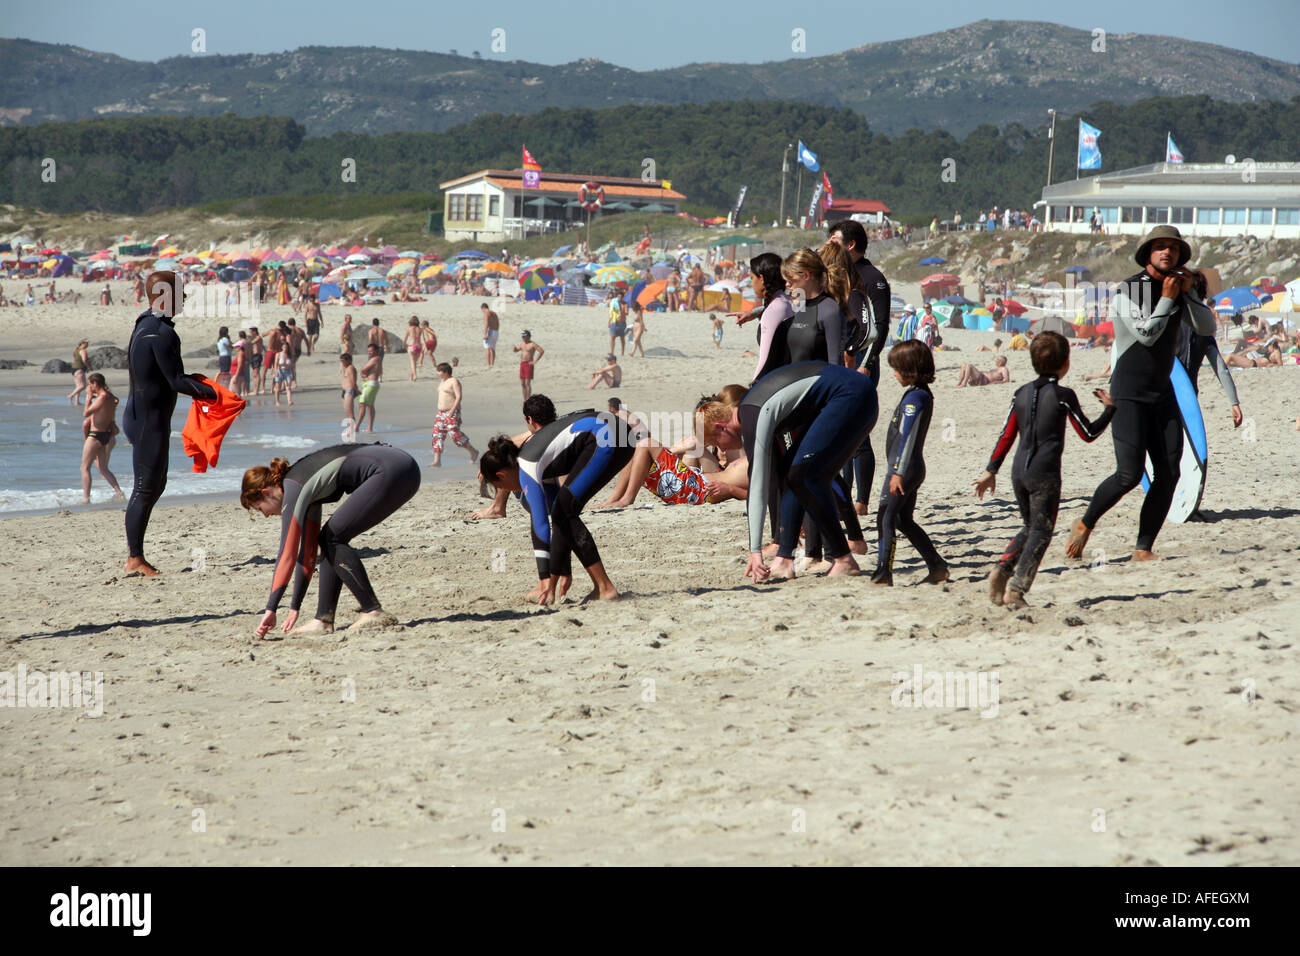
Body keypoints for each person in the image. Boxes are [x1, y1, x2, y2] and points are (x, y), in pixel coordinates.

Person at [1065, 226, 1217, 563]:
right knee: (1128, 475)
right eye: (1160, 247)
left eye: (1173, 249)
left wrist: (1188, 295)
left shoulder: (1179, 290)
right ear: (1147, 252)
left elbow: (1207, 328)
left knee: (1170, 472)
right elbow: (1147, 335)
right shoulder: (1127, 291)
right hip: (1129, 394)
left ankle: (1142, 548)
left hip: (1162, 393)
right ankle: (1085, 522)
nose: (1167, 253)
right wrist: (1167, 297)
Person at [972, 332, 1115, 608]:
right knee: (1042, 531)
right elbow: (1087, 433)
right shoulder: (1064, 396)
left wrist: (991, 470)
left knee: (1030, 526)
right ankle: (1015, 588)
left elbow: (1006, 434)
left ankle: (1001, 570)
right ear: (1065, 364)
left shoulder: (1021, 393)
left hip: (1018, 471)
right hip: (1044, 474)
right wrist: (1110, 410)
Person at [699, 361, 877, 581]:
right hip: (848, 395)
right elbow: (780, 478)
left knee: (808, 476)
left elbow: (758, 486)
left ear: (721, 427)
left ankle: (843, 558)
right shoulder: (751, 412)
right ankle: (784, 560)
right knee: (794, 475)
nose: (721, 449)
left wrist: (754, 551)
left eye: (716, 442)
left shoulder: (751, 417)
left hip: (852, 395)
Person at [243, 443, 421, 637]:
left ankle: (372, 610)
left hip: (392, 469)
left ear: (266, 493)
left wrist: (271, 609)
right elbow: (309, 553)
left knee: (333, 538)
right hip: (402, 467)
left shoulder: (293, 488)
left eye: (260, 509)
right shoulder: (307, 489)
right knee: (328, 539)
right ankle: (324, 620)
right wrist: (295, 606)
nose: (266, 515)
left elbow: (287, 555)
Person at [480, 409, 639, 604]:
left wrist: (544, 577)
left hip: (606, 435)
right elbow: (558, 519)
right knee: (563, 511)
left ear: (502, 475)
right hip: (621, 434)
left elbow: (540, 525)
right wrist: (563, 570)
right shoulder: (536, 460)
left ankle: (604, 588)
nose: (505, 490)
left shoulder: (527, 466)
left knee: (565, 510)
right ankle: (590, 587)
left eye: (499, 487)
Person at [123, 270, 217, 576]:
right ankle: (135, 558)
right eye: (181, 292)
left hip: (140, 415)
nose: (186, 297)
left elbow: (168, 377)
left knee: (155, 484)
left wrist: (202, 386)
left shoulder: (144, 323)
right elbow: (176, 381)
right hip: (150, 421)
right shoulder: (162, 334)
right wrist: (214, 394)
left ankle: (136, 553)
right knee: (145, 488)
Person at [871, 340, 947, 586]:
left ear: (910, 369)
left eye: (896, 369)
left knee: (885, 516)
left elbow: (907, 437)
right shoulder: (918, 393)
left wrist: (897, 472)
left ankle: (883, 572)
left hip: (905, 469)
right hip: (910, 468)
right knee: (903, 520)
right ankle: (937, 566)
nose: (893, 374)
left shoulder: (916, 399)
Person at [468, 394, 557, 520]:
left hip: (543, 502)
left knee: (505, 460)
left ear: (530, 420)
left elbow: (503, 448)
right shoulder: (560, 432)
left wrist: (488, 466)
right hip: (567, 497)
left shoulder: (535, 443)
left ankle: (497, 508)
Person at [80, 373, 125, 503]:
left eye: (90, 384)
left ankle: (86, 498)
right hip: (105, 435)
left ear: (95, 384)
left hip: (95, 435)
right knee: (103, 468)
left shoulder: (103, 397)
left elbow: (86, 413)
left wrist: (88, 397)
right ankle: (119, 492)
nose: (89, 387)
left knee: (85, 467)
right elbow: (111, 404)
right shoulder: (111, 397)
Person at [430, 363, 478, 467]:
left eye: (439, 371)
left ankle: (473, 452)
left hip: (452, 411)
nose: (438, 373)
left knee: (454, 434)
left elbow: (459, 397)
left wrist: (452, 410)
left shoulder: (454, 381)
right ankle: (437, 461)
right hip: (440, 413)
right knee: (437, 435)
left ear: (446, 372)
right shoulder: (442, 382)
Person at [355, 343, 383, 432]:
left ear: (376, 351)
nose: (369, 352)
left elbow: (363, 369)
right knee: (370, 406)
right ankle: (370, 428)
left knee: (362, 404)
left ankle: (356, 428)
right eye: (368, 351)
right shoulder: (378, 359)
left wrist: (364, 375)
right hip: (373, 383)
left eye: (371, 351)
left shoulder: (375, 359)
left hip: (371, 384)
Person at [513, 329, 544, 401]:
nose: (523, 338)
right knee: (522, 383)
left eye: (524, 336)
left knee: (527, 383)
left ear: (528, 336)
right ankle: (525, 399)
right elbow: (517, 350)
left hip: (529, 364)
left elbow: (541, 351)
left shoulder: (532, 344)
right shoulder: (522, 344)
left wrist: (535, 361)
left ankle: (528, 399)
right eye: (522, 336)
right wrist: (514, 349)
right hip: (522, 364)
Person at [272, 339, 295, 406]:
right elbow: (276, 364)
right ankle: (277, 401)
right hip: (280, 371)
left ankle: (289, 401)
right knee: (278, 388)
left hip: (288, 371)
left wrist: (293, 375)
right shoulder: (278, 354)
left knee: (288, 387)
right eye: (284, 347)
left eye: (286, 347)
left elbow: (292, 366)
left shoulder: (290, 355)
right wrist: (276, 371)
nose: (285, 349)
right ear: (282, 347)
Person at [68, 340, 90, 405]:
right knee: (83, 386)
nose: (87, 346)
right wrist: (88, 366)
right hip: (79, 369)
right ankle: (71, 395)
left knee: (78, 386)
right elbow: (84, 360)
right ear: (82, 344)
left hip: (73, 369)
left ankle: (77, 401)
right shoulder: (83, 351)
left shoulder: (76, 350)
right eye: (86, 344)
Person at [403, 316, 423, 382]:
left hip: (412, 346)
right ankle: (411, 377)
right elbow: (422, 339)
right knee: (414, 362)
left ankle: (414, 375)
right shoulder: (420, 329)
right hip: (419, 346)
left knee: (412, 362)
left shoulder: (409, 329)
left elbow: (405, 338)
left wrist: (403, 345)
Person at [339, 353, 358, 422]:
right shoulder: (347, 368)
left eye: (343, 361)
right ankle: (351, 429)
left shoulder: (351, 368)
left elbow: (353, 380)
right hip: (346, 392)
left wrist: (356, 390)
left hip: (349, 391)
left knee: (350, 413)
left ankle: (352, 430)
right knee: (348, 413)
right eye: (341, 361)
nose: (342, 363)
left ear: (349, 360)